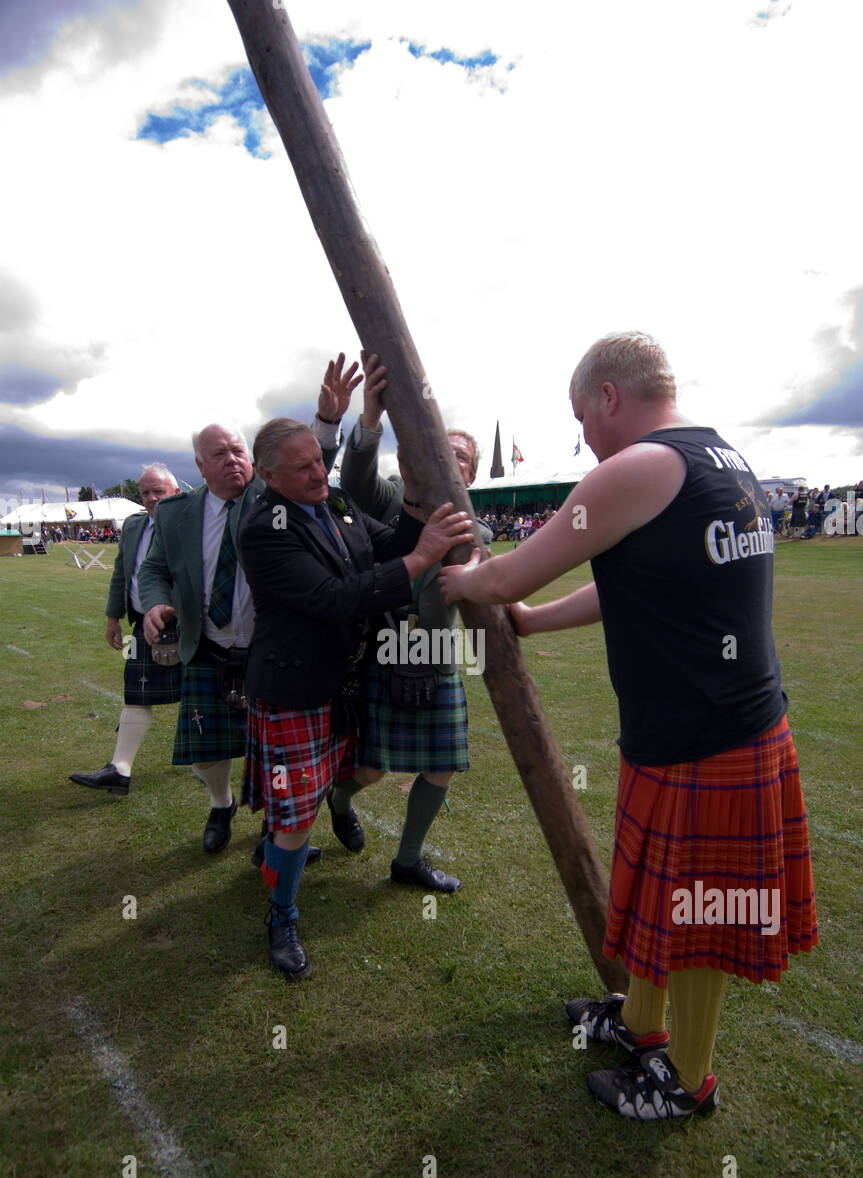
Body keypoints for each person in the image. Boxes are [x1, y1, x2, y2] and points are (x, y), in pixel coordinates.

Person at [439, 330, 818, 1120]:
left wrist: (464, 578)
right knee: (661, 894)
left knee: (698, 908)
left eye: (581, 418)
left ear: (608, 396)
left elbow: (509, 570)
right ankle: (643, 1026)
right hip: (710, 724)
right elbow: (641, 585)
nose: (584, 438)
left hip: (707, 734)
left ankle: (686, 1078)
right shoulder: (718, 459)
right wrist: (535, 623)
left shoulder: (637, 468)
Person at [237, 416, 473, 980]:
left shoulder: (337, 503)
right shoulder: (263, 528)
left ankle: (277, 857)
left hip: (340, 683)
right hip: (293, 690)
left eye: (320, 461)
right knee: (295, 817)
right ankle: (282, 915)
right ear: (268, 476)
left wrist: (415, 504)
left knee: (322, 793)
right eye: (303, 467)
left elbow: (388, 543)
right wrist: (421, 559)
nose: (320, 472)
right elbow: (334, 597)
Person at [137, 359, 359, 854]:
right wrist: (153, 604)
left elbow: (306, 457)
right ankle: (221, 804)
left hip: (269, 653)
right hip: (207, 648)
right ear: (199, 465)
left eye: (238, 450)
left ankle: (275, 828)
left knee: (278, 757)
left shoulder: (268, 498)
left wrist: (327, 421)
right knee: (205, 753)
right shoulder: (175, 514)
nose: (233, 460)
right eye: (220, 453)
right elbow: (153, 570)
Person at [318, 353, 492, 893]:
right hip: (383, 656)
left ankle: (408, 860)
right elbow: (355, 476)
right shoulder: (392, 502)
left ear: (472, 473)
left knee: (441, 767)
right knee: (370, 772)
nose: (450, 460)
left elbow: (488, 596)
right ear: (416, 455)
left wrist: (483, 572)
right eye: (440, 450)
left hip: (436, 662)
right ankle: (340, 797)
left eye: (461, 456)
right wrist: (369, 416)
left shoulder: (477, 534)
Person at [69, 466, 182, 795]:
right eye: (145, 492)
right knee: (136, 694)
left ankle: (213, 769)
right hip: (140, 625)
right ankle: (120, 769)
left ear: (175, 493)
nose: (151, 498)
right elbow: (122, 572)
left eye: (159, 491)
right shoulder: (133, 525)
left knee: (208, 699)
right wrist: (112, 617)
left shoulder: (186, 525)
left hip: (187, 626)